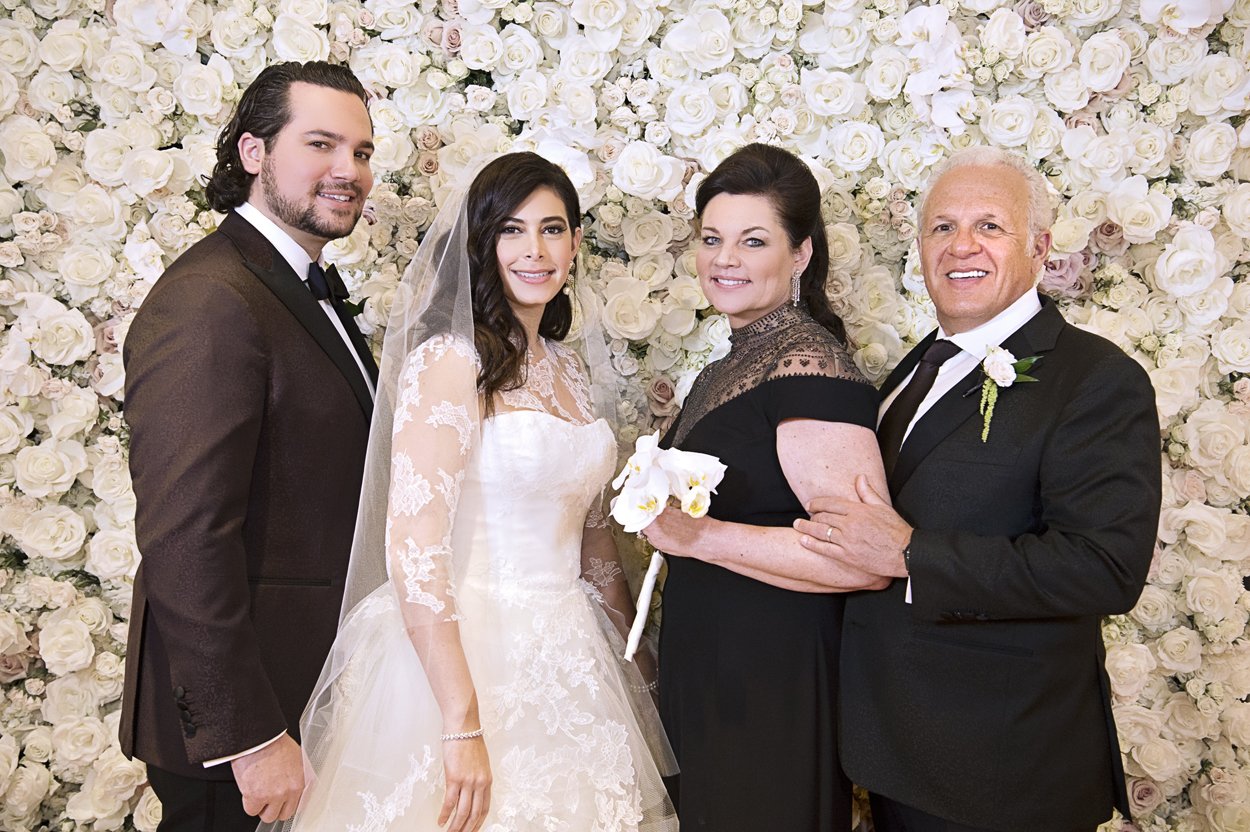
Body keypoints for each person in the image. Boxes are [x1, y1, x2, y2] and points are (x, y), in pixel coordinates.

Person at [273, 152, 678, 832]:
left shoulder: (570, 371)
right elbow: (414, 544)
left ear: (576, 243)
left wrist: (634, 654)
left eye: (553, 229)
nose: (535, 250)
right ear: (482, 245)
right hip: (464, 653)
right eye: (513, 231)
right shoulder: (451, 360)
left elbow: (592, 535)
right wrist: (460, 723)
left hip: (571, 657)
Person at [795, 146, 1160, 832]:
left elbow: (1104, 568)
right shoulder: (915, 366)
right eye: (942, 227)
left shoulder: (1094, 379)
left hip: (1005, 773)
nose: (962, 245)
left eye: (989, 226)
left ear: (1040, 247)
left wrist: (912, 555)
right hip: (894, 755)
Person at [118, 61, 378, 830]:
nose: (348, 171)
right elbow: (185, 536)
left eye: (362, 152)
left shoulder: (296, 287)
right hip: (244, 730)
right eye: (322, 144)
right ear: (253, 152)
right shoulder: (210, 300)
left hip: (310, 692)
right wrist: (251, 736)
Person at [640, 143, 888, 831]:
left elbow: (862, 561)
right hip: (716, 667)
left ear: (800, 255)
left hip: (770, 678)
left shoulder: (809, 365)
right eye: (712, 239)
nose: (725, 259)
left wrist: (703, 534)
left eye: (753, 241)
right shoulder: (737, 361)